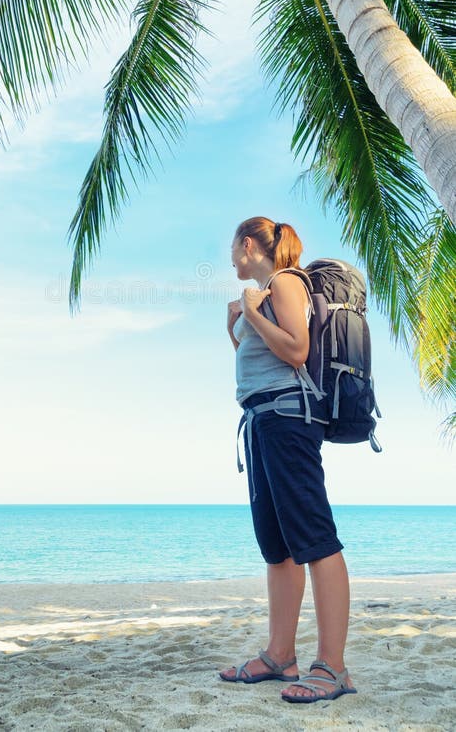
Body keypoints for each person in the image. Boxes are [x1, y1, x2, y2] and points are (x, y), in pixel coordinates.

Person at [218, 216, 357, 703]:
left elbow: (297, 350)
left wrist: (253, 313)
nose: (230, 257)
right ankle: (281, 656)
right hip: (262, 420)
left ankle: (333, 667)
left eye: (232, 247)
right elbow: (266, 356)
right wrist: (237, 329)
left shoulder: (285, 282)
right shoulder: (263, 293)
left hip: (287, 419)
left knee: (315, 539)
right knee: (276, 546)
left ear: (248, 244)